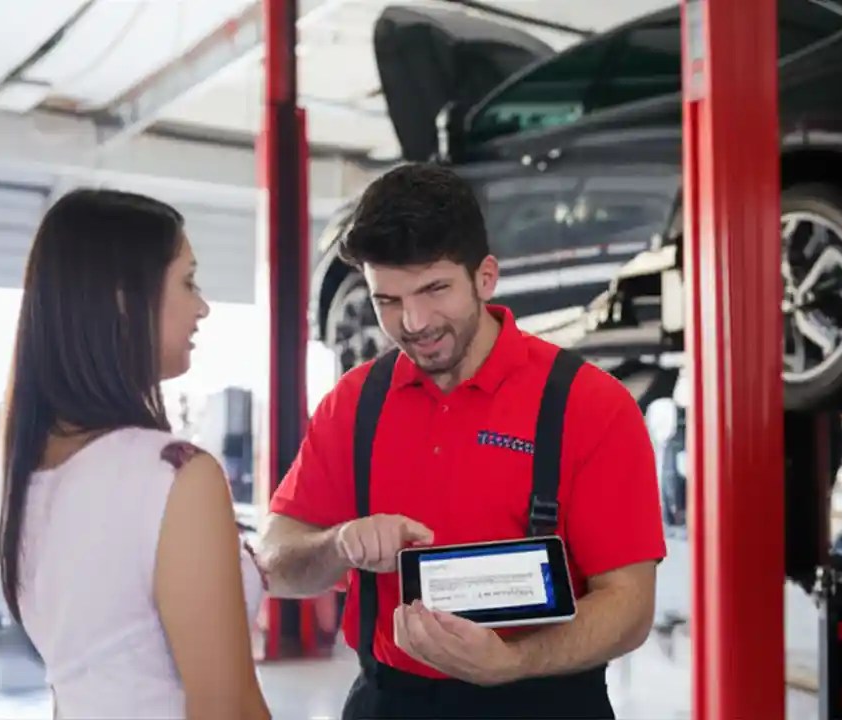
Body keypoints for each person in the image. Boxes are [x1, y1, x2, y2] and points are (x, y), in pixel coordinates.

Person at [255, 163, 666, 719]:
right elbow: (275, 564)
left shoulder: (590, 406)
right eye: (389, 301)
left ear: (485, 277)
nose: (415, 321)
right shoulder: (354, 404)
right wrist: (337, 544)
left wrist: (513, 663)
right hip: (390, 702)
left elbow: (630, 607)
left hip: (546, 700)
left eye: (434, 289)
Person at [0, 189, 270, 720]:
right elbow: (228, 709)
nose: (203, 306)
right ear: (125, 298)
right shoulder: (176, 476)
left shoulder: (29, 472)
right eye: (188, 281)